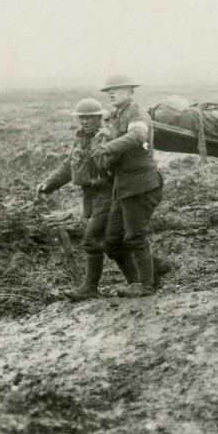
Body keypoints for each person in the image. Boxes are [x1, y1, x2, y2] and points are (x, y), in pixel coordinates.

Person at [37, 98, 137, 300]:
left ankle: (90, 288)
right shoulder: (82, 139)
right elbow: (69, 165)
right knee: (113, 244)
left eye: (90, 117)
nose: (85, 121)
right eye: (82, 117)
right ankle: (137, 283)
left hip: (111, 194)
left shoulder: (107, 136)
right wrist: (49, 184)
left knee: (92, 239)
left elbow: (119, 163)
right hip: (94, 197)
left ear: (99, 117)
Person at [90, 74, 173, 297]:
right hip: (124, 188)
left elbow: (137, 135)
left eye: (116, 89)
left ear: (130, 91)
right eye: (109, 90)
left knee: (135, 237)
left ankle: (146, 285)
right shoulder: (117, 116)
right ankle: (150, 272)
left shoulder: (136, 114)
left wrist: (108, 147)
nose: (111, 93)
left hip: (141, 186)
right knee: (112, 242)